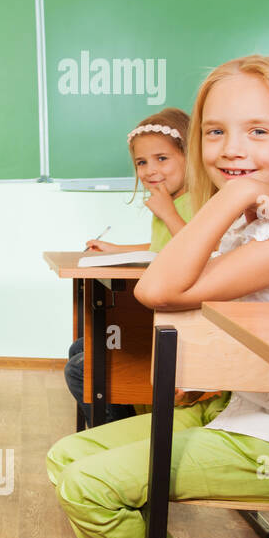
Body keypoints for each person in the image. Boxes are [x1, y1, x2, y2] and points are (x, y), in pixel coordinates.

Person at [47, 54, 269, 538]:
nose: (229, 148)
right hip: (241, 412)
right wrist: (240, 196)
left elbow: (158, 289)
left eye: (258, 131)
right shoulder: (268, 207)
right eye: (215, 132)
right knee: (66, 458)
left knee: (87, 487)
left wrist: (229, 195)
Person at [66, 107, 196, 423]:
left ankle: (120, 429)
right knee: (80, 347)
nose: (150, 170)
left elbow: (196, 248)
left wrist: (168, 213)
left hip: (181, 323)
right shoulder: (172, 202)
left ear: (190, 156)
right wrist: (116, 249)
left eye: (162, 158)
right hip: (161, 314)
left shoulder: (195, 200)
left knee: (81, 366)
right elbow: (161, 248)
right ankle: (127, 417)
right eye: (141, 162)